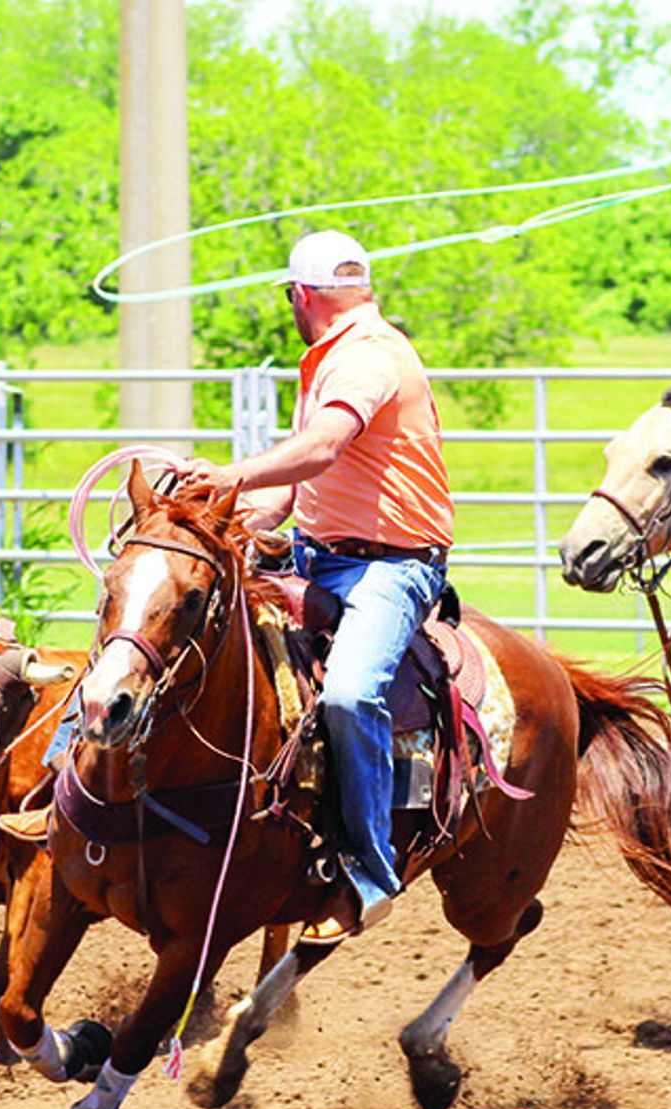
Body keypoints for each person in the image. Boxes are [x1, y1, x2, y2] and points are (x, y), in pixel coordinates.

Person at [189, 229, 454, 939]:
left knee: (348, 690)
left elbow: (326, 445)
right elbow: (302, 480)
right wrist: (221, 518)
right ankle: (71, 782)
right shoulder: (335, 359)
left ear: (301, 297)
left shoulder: (367, 356)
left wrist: (231, 473)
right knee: (172, 622)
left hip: (391, 567)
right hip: (320, 551)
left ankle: (369, 871)